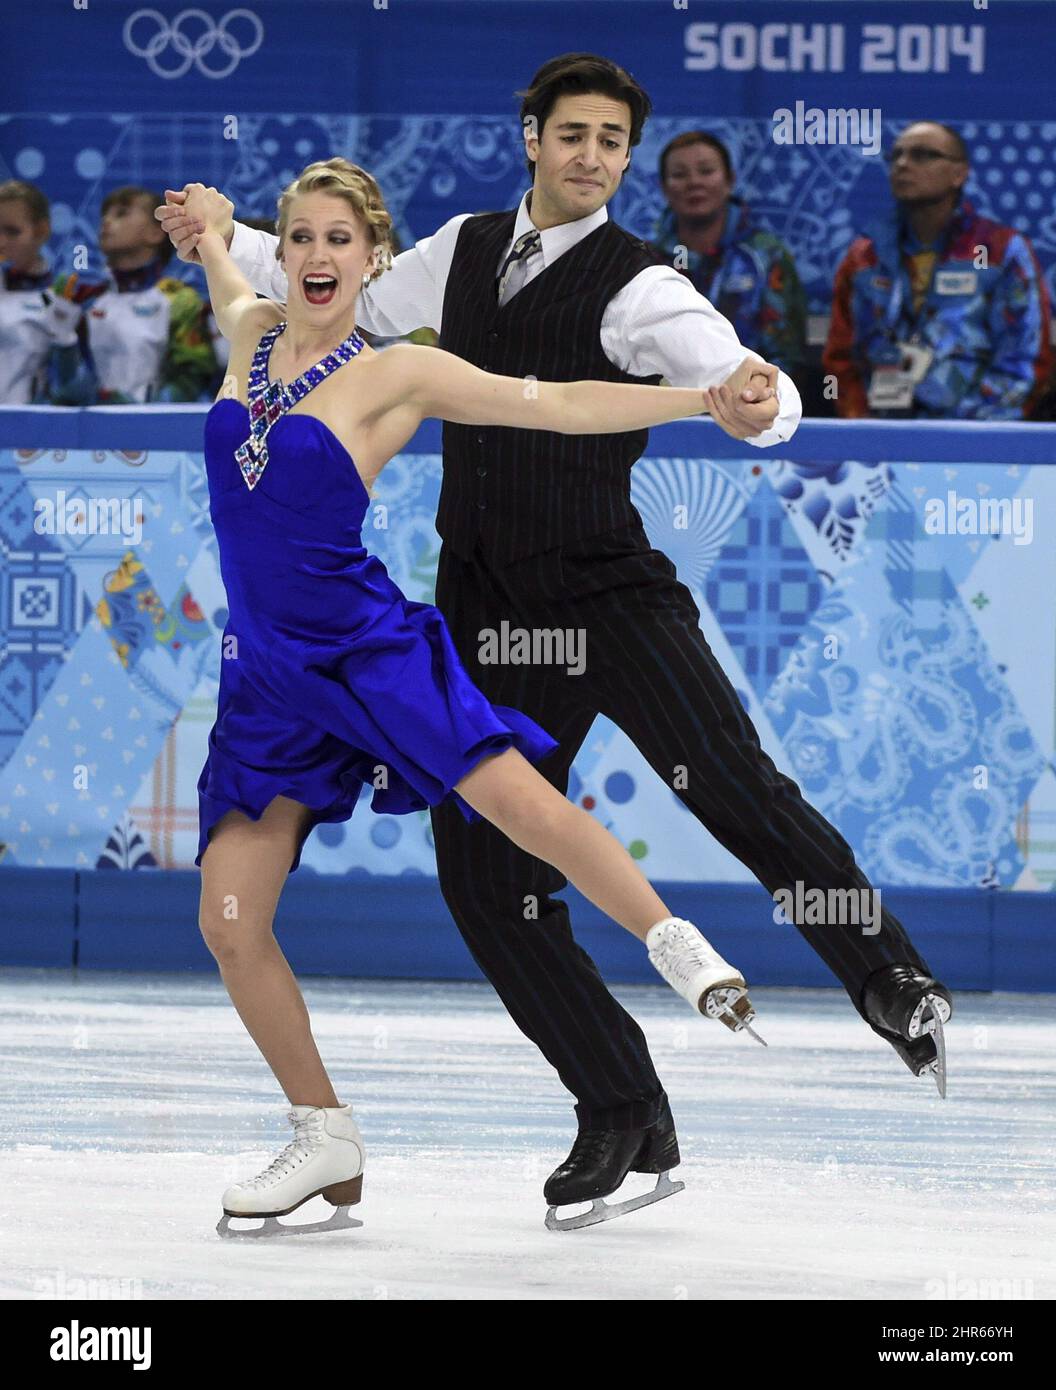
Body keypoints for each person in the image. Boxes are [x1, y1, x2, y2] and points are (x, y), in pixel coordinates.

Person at [158, 53, 952, 1227]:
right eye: (570, 134)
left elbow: (723, 381)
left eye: (611, 142)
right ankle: (621, 1110)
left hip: (605, 592)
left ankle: (886, 977)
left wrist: (750, 398)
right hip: (484, 603)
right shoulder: (451, 252)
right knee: (486, 880)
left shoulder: (644, 287)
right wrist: (223, 230)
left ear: (627, 158)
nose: (590, 156)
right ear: (530, 137)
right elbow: (318, 270)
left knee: (732, 783)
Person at [189, 160, 770, 1236]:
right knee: (230, 920)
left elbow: (551, 405)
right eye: (300, 238)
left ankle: (673, 944)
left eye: (339, 242)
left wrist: (703, 396)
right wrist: (215, 229)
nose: (317, 257)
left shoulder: (399, 370)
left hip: (362, 647)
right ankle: (324, 1135)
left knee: (516, 804)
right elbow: (225, 277)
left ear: (372, 261)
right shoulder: (251, 333)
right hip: (266, 673)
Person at [824, 120, 1053, 419]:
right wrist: (865, 430)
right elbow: (841, 359)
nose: (903, 165)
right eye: (896, 156)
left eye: (922, 155)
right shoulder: (865, 255)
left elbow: (1027, 360)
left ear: (959, 173)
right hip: (880, 432)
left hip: (977, 436)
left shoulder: (1001, 250)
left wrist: (968, 433)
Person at [651, 130, 807, 384]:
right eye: (679, 174)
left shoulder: (767, 256)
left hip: (752, 401)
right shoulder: (645, 260)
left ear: (730, 180)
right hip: (664, 405)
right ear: (664, 188)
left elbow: (787, 354)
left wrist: (758, 396)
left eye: (706, 171)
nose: (694, 182)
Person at [68, 185, 217, 404]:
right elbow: (70, 379)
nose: (106, 222)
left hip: (154, 428)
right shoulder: (86, 300)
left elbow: (192, 377)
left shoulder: (181, 301)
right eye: (104, 215)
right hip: (89, 428)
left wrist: (145, 409)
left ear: (156, 233)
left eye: (121, 213)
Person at [0, 180, 94, 404]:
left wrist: (65, 340)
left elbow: (73, 390)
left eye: (12, 232)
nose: (0, 242)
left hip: (23, 431)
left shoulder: (61, 302)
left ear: (41, 231)